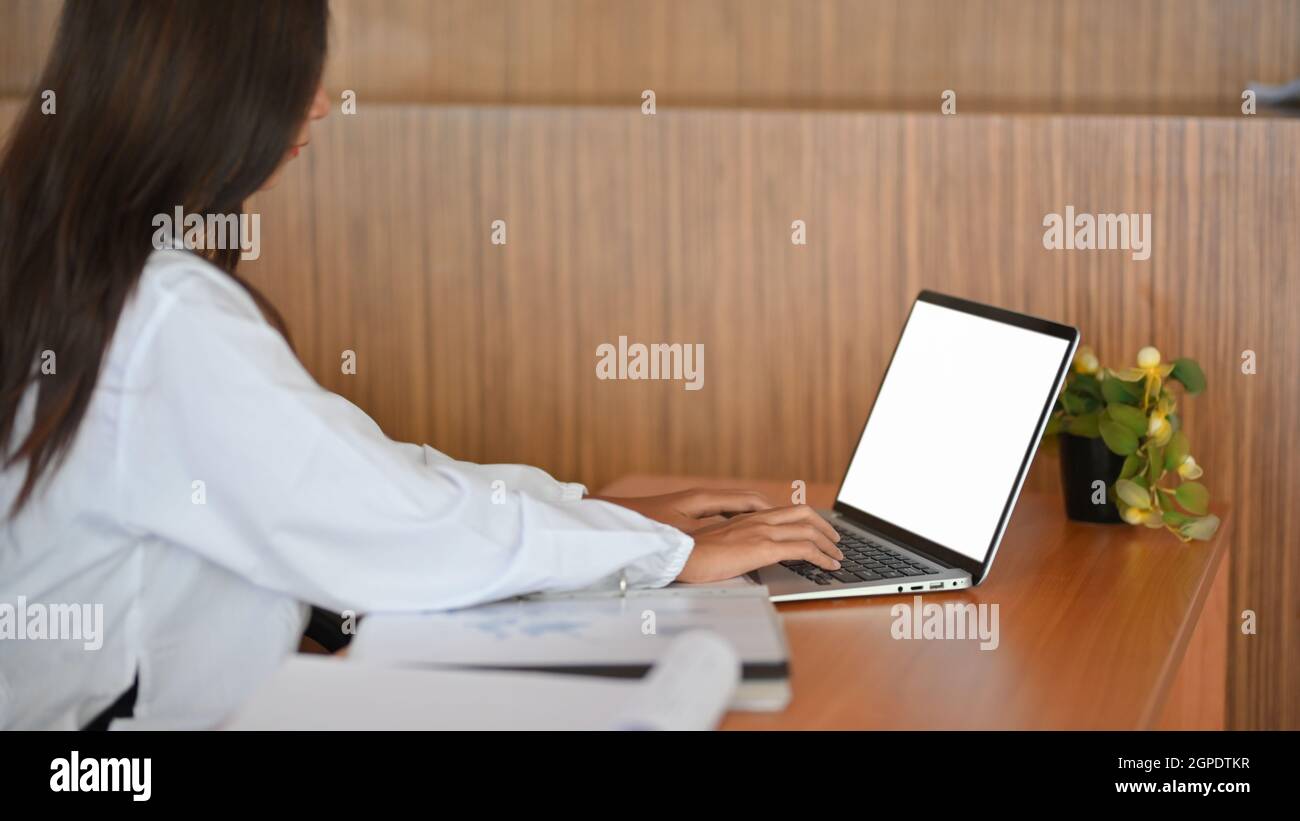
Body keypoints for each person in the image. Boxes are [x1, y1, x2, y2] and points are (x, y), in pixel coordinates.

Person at [0, 0, 842, 730]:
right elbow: (389, 522)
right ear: (213, 90)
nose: (323, 105)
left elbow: (357, 478)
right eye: (297, 77)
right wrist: (659, 552)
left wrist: (601, 513)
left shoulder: (66, 256)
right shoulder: (163, 313)